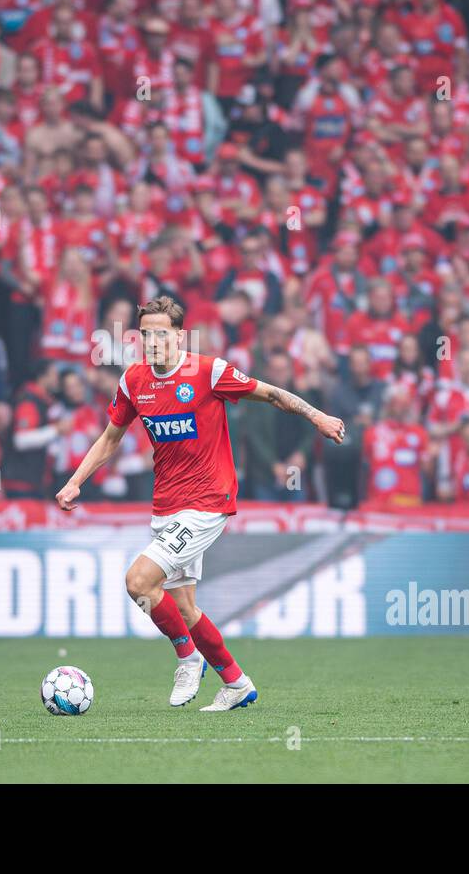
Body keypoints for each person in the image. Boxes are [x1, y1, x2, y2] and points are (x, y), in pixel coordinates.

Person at [54, 296, 345, 711]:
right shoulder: (134, 381)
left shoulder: (209, 372)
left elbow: (273, 394)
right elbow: (110, 438)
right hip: (167, 505)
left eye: (161, 333)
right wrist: (75, 482)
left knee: (138, 581)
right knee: (186, 607)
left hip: (209, 500)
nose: (152, 341)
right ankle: (236, 682)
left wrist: (317, 417)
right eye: (146, 334)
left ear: (178, 336)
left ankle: (187, 657)